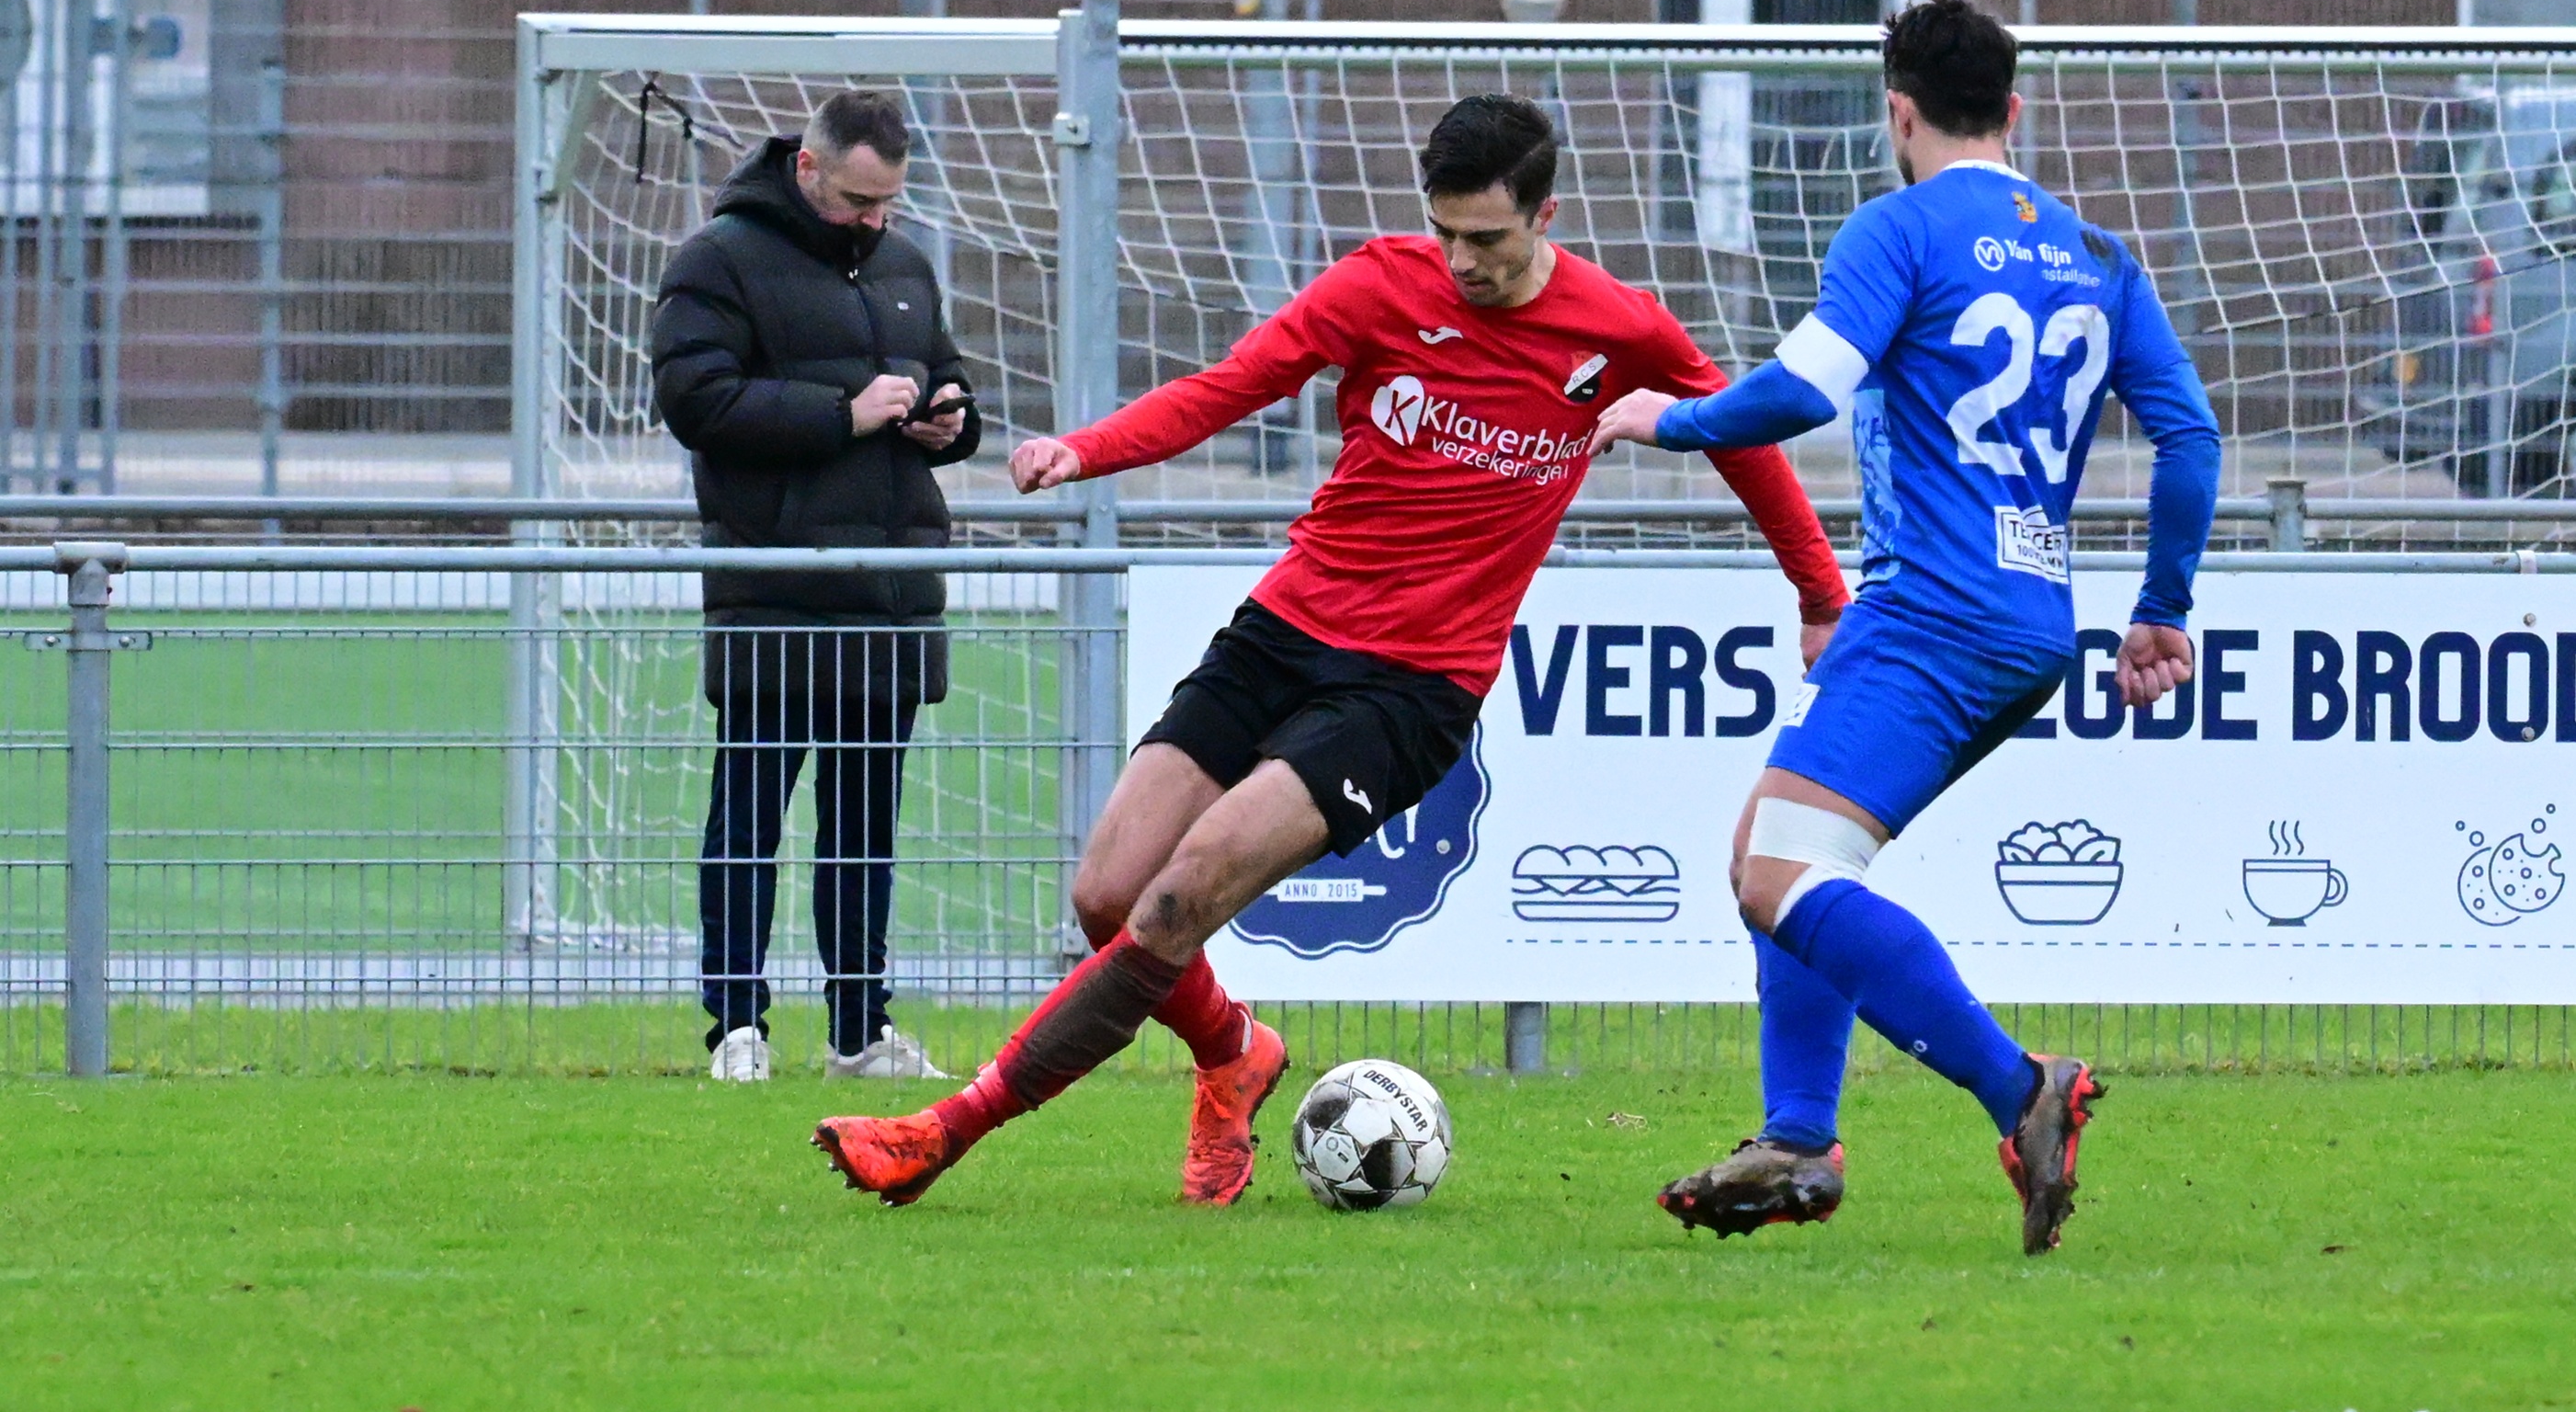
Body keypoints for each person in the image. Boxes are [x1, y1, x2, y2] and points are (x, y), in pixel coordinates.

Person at [811, 93, 1855, 1208]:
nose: (1462, 261)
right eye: (1445, 232)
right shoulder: (1377, 284)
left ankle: (945, 1127)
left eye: (1489, 240)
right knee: (1110, 893)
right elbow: (1231, 386)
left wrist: (1819, 593)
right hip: (1284, 630)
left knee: (1180, 899)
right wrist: (1086, 449)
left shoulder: (1622, 328)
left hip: (1411, 689)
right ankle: (1235, 1053)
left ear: (1546, 213)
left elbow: (1743, 436)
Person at [1590, 0, 2221, 1255]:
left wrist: (1664, 417)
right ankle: (1799, 1138)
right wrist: (2157, 608)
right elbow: (2188, 438)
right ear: (2015, 111)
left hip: (1931, 604)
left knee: (1782, 875)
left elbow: (1806, 388)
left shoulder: (1897, 227)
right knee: (1773, 857)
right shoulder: (2098, 254)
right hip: (2030, 618)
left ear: (1896, 110)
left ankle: (2018, 1086)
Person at [651, 88, 982, 1085]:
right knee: (748, 817)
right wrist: (843, 414)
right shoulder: (718, 258)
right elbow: (693, 397)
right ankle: (736, 1025)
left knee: (865, 830)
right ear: (807, 167)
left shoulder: (906, 264)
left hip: (888, 596)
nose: (871, 220)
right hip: (775, 590)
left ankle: (859, 1029)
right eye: (854, 199)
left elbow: (950, 386)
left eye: (886, 203)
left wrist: (950, 419)